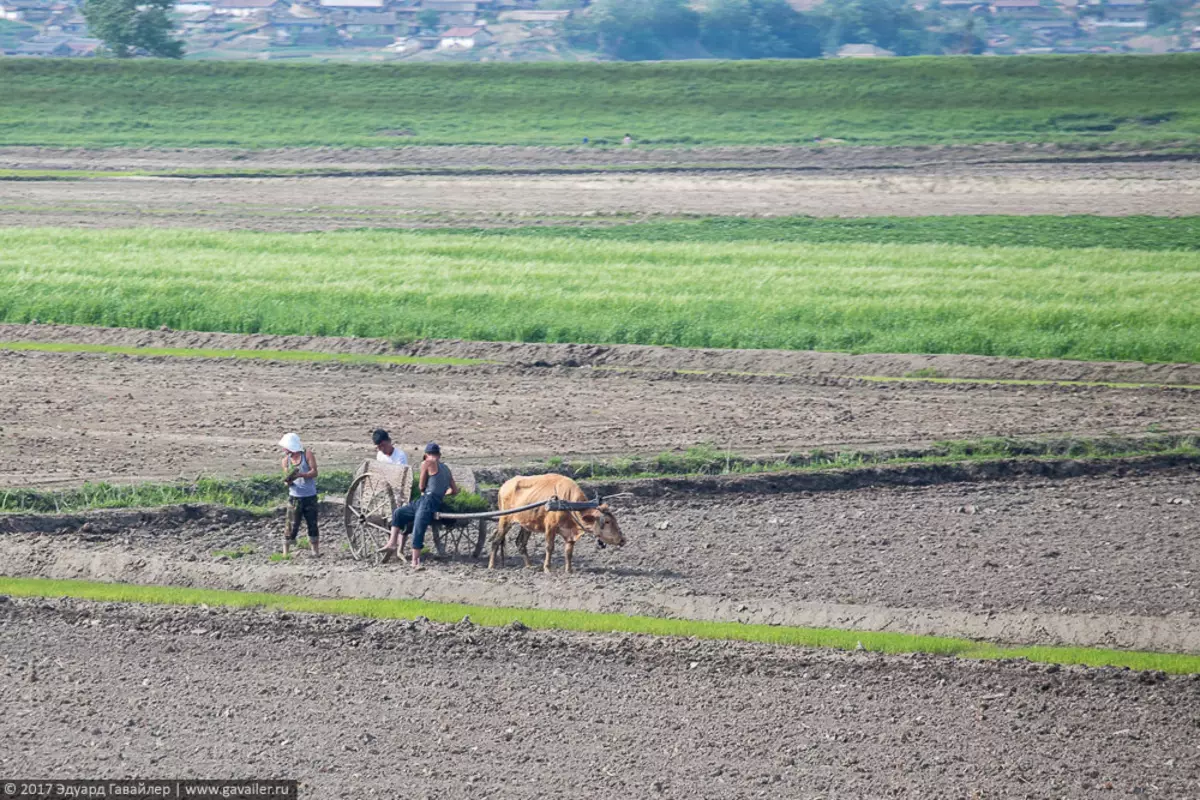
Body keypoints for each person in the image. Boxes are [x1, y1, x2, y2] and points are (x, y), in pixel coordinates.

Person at [378, 442, 457, 568]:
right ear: (439, 455)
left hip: (427, 500)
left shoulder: (427, 463)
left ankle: (415, 561)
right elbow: (454, 490)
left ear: (426, 455)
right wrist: (442, 493)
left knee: (418, 527)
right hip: (435, 501)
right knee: (399, 513)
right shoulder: (446, 469)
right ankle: (392, 543)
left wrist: (427, 490)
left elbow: (421, 486)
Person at [279, 432, 320, 557]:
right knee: (290, 524)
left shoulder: (307, 454)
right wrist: (289, 481)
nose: (284, 450)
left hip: (309, 496)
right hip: (295, 496)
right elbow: (288, 480)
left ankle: (315, 551)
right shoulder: (286, 461)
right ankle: (286, 552)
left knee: (312, 523)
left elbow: (314, 472)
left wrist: (302, 475)